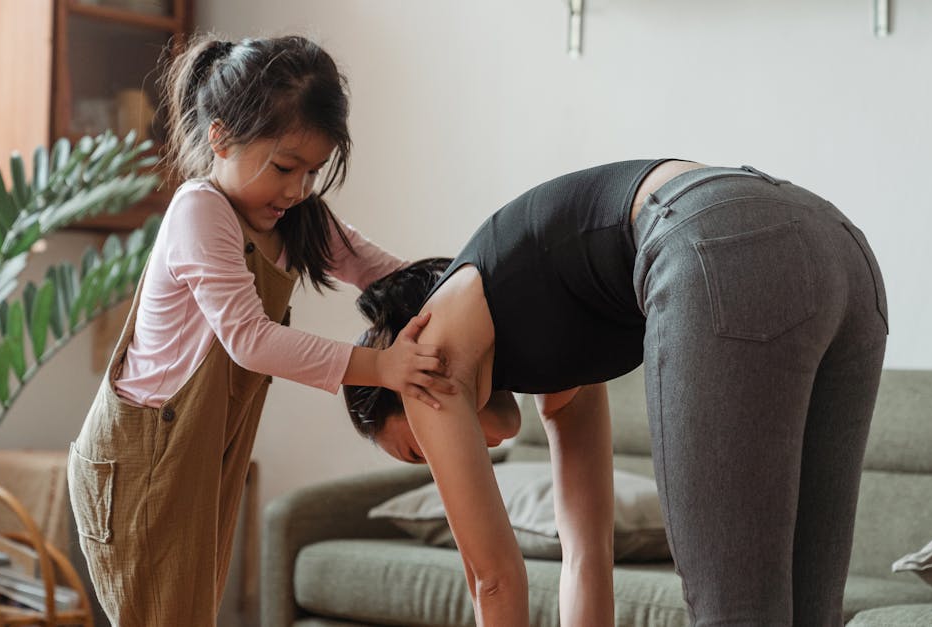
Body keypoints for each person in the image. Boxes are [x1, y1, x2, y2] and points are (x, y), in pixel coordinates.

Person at [343, 159, 889, 626]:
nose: (450, 456)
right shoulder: (547, 341)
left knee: (737, 609)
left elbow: (494, 579)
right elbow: (586, 554)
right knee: (810, 609)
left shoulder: (424, 363)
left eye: (420, 449)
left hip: (717, 237)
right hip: (839, 247)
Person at [67, 34, 453, 626]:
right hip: (146, 457)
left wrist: (467, 290)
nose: (298, 188)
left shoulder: (295, 218)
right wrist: (381, 366)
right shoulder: (200, 210)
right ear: (220, 136)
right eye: (284, 167)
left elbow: (381, 271)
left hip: (205, 446)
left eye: (313, 171)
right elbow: (249, 338)